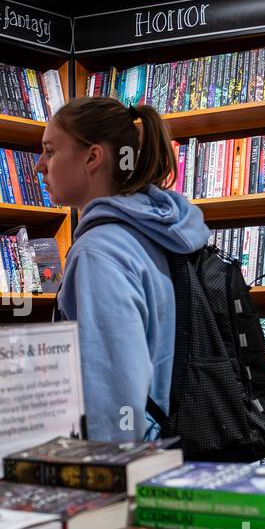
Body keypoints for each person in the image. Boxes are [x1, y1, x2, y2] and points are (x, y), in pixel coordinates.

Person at [35, 96, 209, 442]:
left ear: (92, 157)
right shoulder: (157, 231)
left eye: (51, 151)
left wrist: (110, 473)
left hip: (132, 464)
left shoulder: (99, 252)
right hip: (176, 449)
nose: (40, 166)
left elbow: (114, 390)